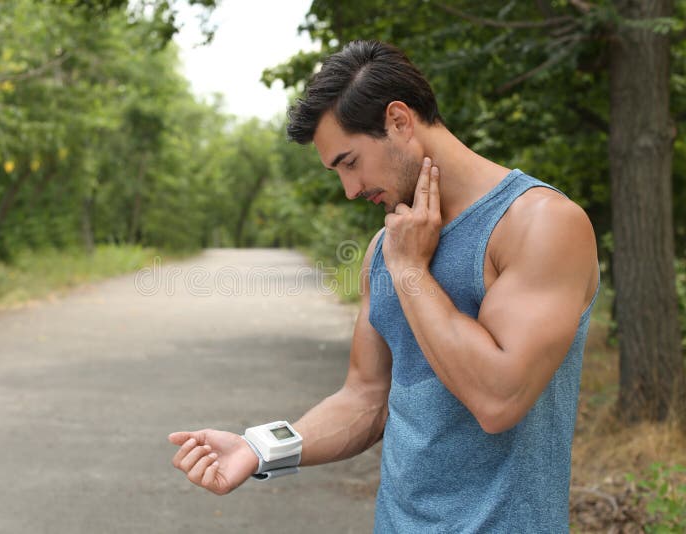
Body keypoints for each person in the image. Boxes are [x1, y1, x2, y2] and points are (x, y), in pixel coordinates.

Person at [168, 40, 600, 532]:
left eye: (350, 163)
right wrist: (258, 447)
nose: (350, 190)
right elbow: (365, 399)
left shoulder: (539, 224)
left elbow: (499, 400)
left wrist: (413, 274)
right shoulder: (386, 247)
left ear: (399, 121)